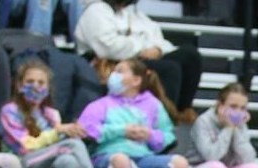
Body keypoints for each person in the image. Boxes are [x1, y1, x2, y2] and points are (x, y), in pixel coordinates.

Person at [79, 58, 191, 168]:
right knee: (121, 160)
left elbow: (167, 135)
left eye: (120, 71)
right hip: (106, 157)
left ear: (136, 80)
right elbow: (85, 130)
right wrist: (121, 131)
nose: (113, 75)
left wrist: (149, 135)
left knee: (180, 164)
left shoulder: (153, 104)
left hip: (143, 158)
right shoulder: (100, 104)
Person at [0, 60, 108, 168]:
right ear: (19, 85)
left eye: (41, 83)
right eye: (30, 82)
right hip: (21, 161)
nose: (35, 86)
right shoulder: (10, 111)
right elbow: (25, 146)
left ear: (48, 88)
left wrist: (71, 131)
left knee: (68, 161)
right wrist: (59, 132)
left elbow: (57, 145)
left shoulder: (51, 113)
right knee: (73, 145)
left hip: (46, 160)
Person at [75, 0, 203, 114]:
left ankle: (181, 112)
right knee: (169, 68)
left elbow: (156, 36)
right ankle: (165, 117)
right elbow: (108, 47)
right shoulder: (96, 10)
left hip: (136, 60)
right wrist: (141, 49)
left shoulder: (132, 13)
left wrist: (158, 49)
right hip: (109, 66)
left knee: (189, 55)